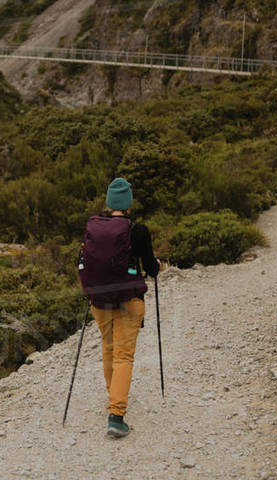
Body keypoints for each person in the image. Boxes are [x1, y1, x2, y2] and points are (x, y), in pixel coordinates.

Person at [77, 177, 160, 439]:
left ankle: (114, 396)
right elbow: (152, 269)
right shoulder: (138, 230)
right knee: (124, 356)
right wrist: (156, 263)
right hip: (129, 300)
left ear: (109, 202)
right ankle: (116, 415)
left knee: (108, 349)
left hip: (99, 301)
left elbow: (81, 262)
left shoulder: (95, 228)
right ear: (129, 203)